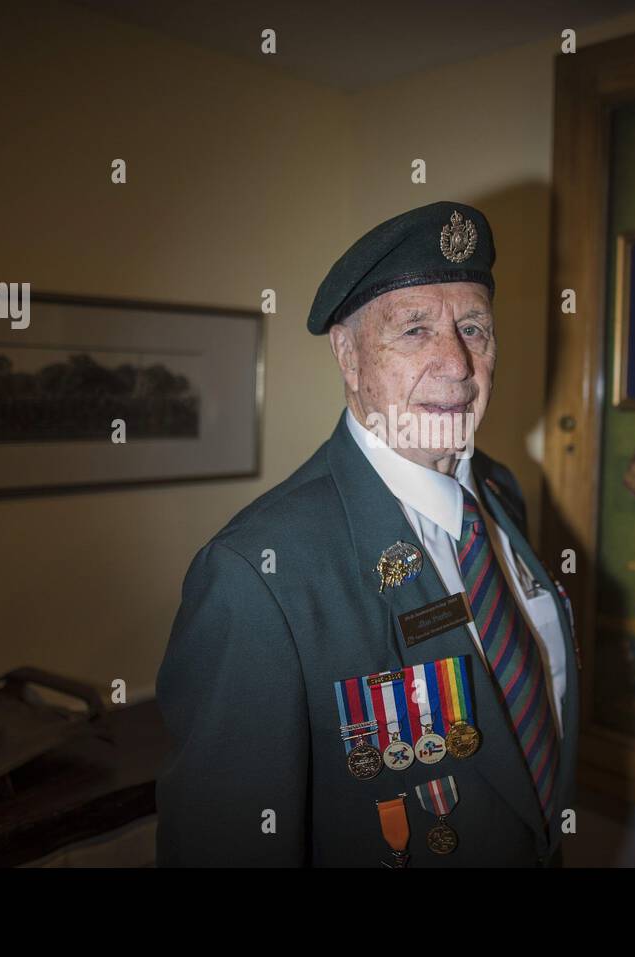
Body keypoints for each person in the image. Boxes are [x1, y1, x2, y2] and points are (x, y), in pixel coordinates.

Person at [156, 201, 578, 867]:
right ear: (348, 355)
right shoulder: (255, 577)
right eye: (414, 331)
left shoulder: (500, 495)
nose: (457, 363)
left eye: (474, 327)